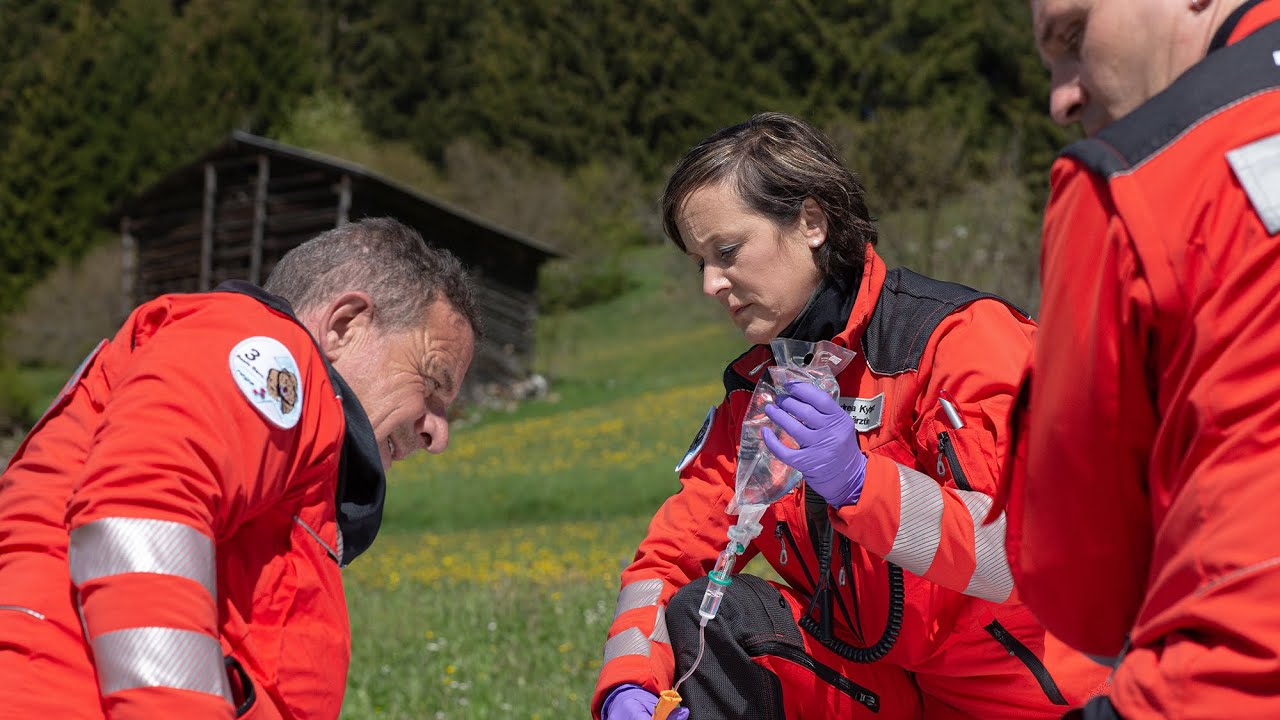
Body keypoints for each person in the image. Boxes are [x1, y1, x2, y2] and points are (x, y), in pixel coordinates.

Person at [591, 112, 1108, 720]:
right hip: (879, 694)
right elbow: (669, 562)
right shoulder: (756, 394)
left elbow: (1026, 554)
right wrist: (628, 685)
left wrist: (864, 484)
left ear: (811, 222)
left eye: (726, 251)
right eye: (699, 262)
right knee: (716, 618)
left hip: (1034, 696)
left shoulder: (962, 341)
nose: (711, 284)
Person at [0, 217, 479, 719]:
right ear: (344, 326)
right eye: (431, 383)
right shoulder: (266, 350)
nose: (438, 434)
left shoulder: (295, 472)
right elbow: (141, 511)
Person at [1006, 0, 1280, 718]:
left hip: (1233, 673)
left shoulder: (1128, 178)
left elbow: (1085, 590)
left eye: (1072, 36)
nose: (1062, 95)